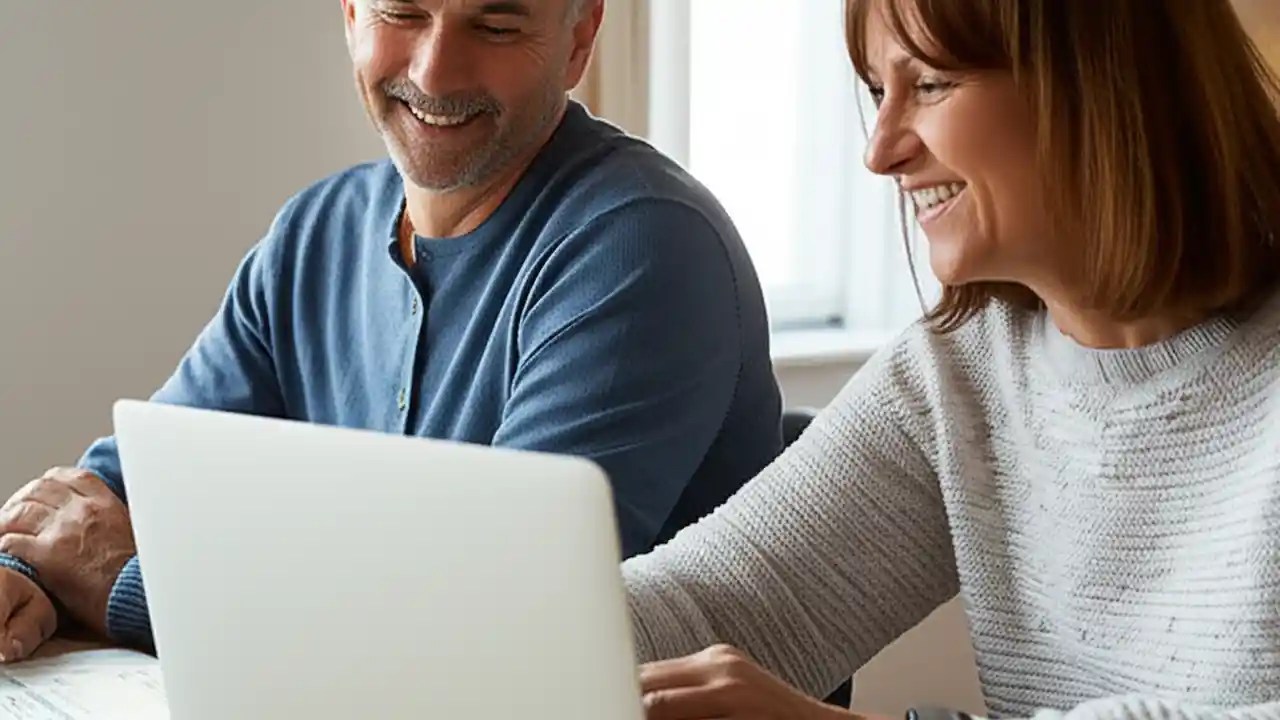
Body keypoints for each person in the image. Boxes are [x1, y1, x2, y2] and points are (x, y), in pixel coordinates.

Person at [0, 0, 783, 660]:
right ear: (350, 15)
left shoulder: (641, 245)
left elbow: (485, 624)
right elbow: (125, 484)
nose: (436, 72)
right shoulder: (316, 232)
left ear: (579, 39)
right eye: (403, 11)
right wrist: (25, 576)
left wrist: (126, 588)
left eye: (497, 26)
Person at [622, 0, 1280, 718]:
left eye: (930, 85)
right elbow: (713, 599)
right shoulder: (958, 374)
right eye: (878, 92)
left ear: (1103, 82)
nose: (881, 152)